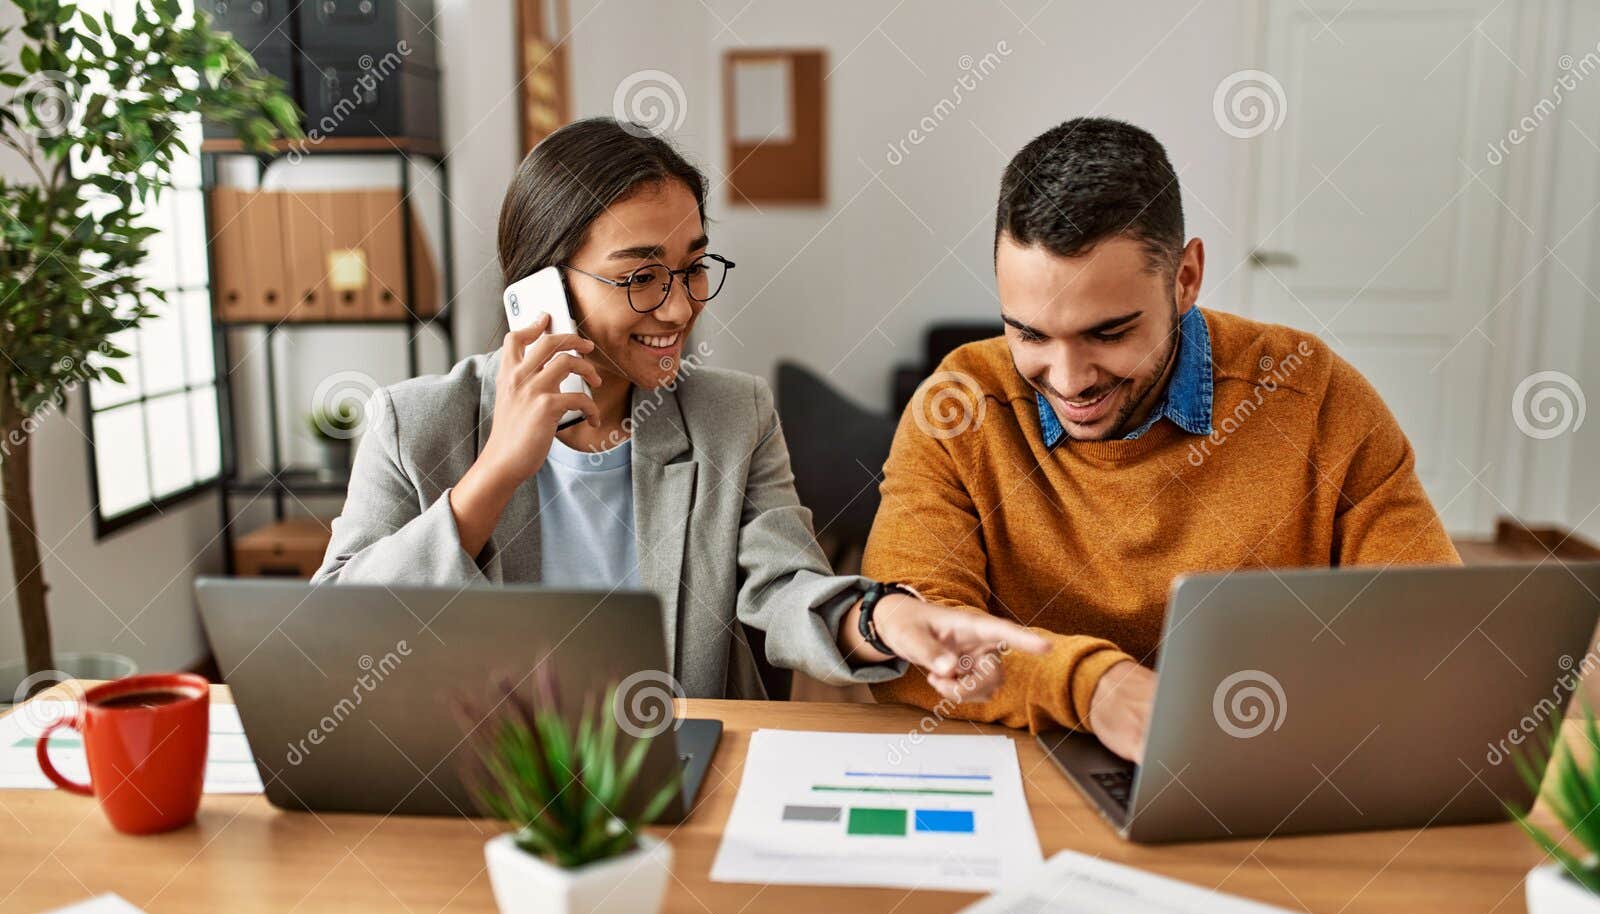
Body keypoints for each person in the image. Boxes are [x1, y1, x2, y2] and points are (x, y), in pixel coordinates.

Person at [313, 117, 1043, 703]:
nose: (680, 305)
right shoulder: (415, 425)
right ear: (539, 290)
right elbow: (335, 636)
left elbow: (786, 584)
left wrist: (885, 619)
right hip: (477, 783)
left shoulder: (733, 415)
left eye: (693, 267)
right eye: (640, 277)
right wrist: (495, 473)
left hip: (676, 776)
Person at [862, 117, 1459, 759]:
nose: (1069, 382)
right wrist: (1094, 688)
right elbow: (915, 646)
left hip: (1265, 768)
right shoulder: (958, 409)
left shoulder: (1311, 395)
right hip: (1030, 774)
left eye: (1108, 333)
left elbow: (1430, 627)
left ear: (1186, 278)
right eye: (1030, 335)